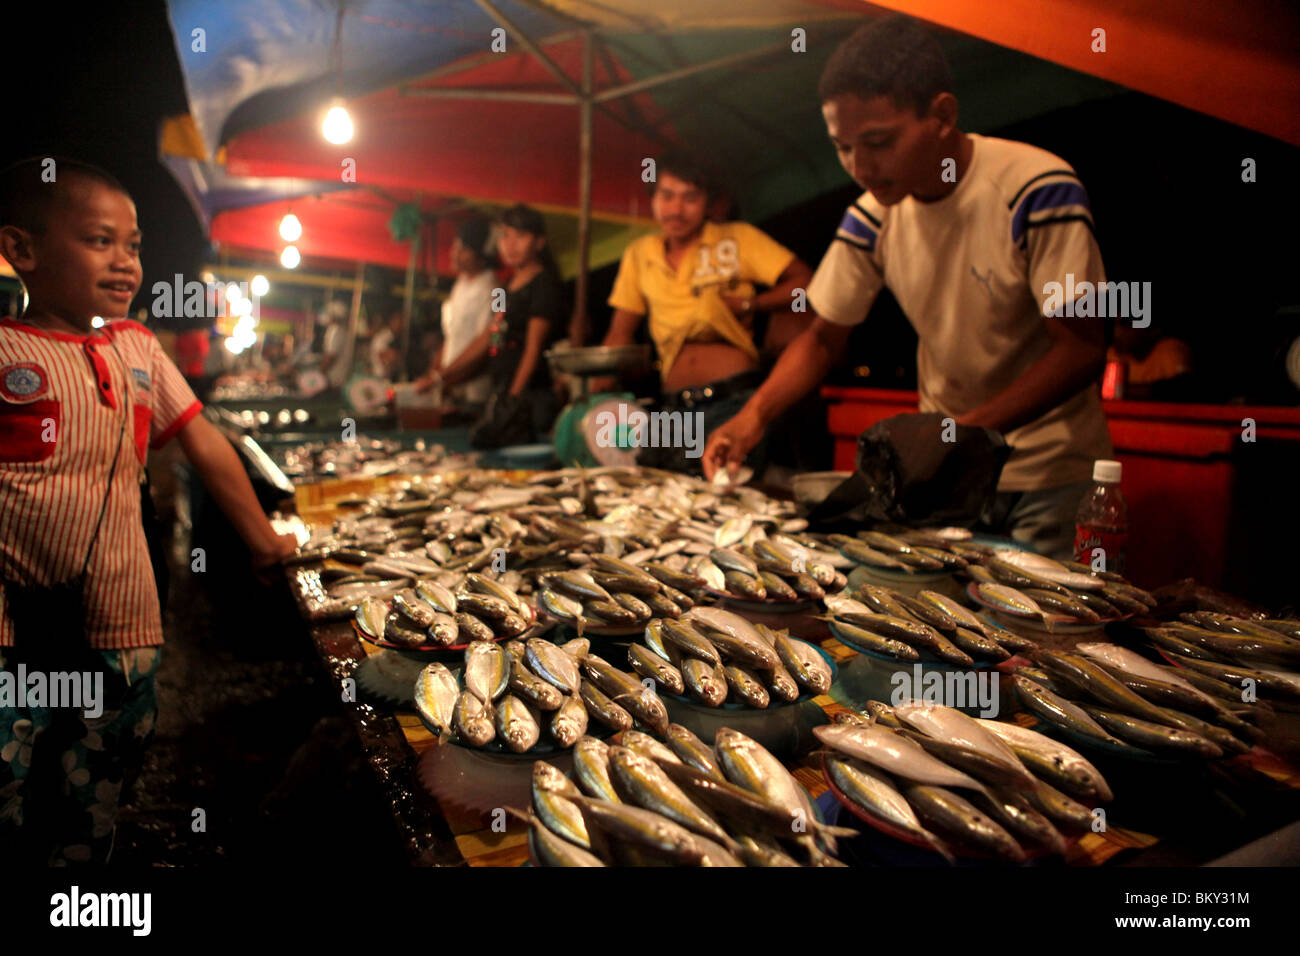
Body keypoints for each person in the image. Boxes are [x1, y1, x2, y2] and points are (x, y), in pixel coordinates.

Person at [702, 16, 1114, 559]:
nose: (860, 167)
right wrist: (752, 415)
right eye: (843, 147)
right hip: (943, 480)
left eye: (878, 141)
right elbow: (824, 338)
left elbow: (1083, 348)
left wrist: (956, 434)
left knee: (1040, 640)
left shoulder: (1035, 189)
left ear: (942, 115)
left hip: (1047, 478)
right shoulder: (872, 218)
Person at [0, 157, 298, 864]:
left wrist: (264, 540)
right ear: (23, 250)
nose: (126, 263)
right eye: (100, 241)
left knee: (98, 776)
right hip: (10, 628)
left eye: (133, 246)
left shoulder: (137, 348)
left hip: (120, 618)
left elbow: (205, 442)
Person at [600, 150, 813, 473]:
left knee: (724, 498)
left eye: (690, 197)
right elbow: (620, 332)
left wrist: (751, 304)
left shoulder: (737, 238)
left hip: (734, 400)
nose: (676, 209)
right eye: (667, 195)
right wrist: (595, 387)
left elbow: (805, 285)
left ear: (708, 203)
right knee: (648, 492)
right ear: (653, 199)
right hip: (671, 407)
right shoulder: (639, 254)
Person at [418, 205, 564, 446]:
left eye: (520, 236)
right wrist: (440, 377)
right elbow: (491, 338)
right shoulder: (505, 287)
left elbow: (532, 349)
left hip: (530, 398)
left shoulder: (544, 283)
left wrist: (513, 398)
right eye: (505, 235)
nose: (510, 244)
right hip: (502, 392)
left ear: (539, 242)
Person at [416, 218, 495, 409]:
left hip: (473, 393)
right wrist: (432, 374)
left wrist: (442, 379)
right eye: (455, 247)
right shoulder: (460, 285)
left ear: (480, 254)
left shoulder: (491, 289)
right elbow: (452, 337)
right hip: (450, 386)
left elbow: (486, 345)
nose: (454, 254)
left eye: (462, 249)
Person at [367, 298, 403, 381]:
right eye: (399, 321)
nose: (402, 325)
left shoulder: (394, 337)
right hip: (379, 377)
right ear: (392, 321)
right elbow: (383, 355)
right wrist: (396, 356)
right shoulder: (384, 336)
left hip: (386, 377)